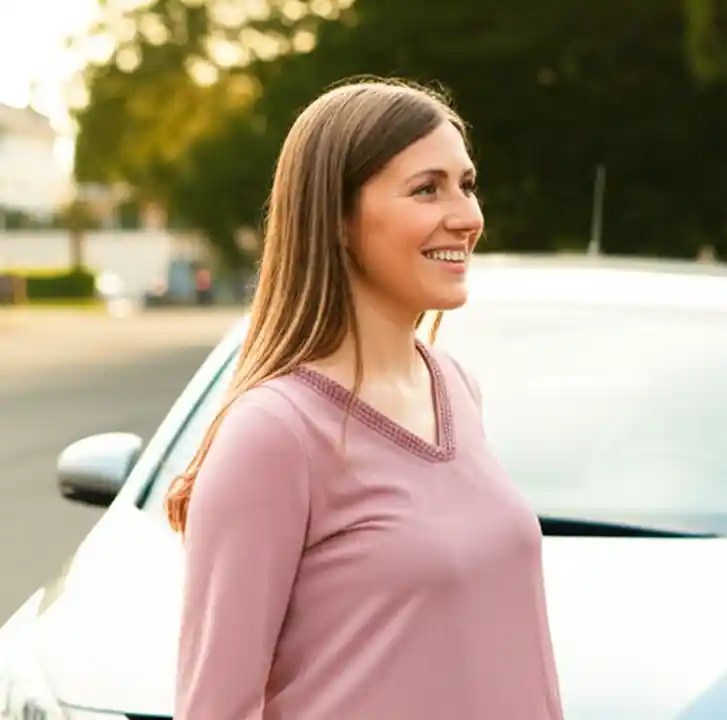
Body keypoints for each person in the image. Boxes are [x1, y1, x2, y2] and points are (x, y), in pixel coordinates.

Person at [164, 78, 564, 719]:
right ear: (339, 220)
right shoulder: (275, 433)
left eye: (467, 184)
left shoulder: (456, 387)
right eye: (427, 188)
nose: (467, 216)